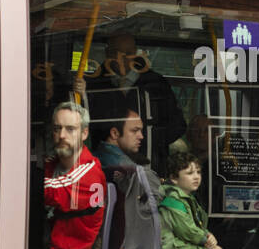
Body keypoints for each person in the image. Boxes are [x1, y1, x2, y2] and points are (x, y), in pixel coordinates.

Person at [74, 31, 185, 174]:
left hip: (150, 166)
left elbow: (177, 125)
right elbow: (84, 124)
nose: (122, 58)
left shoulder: (156, 84)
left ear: (136, 53)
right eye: (116, 52)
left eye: (128, 53)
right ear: (107, 53)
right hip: (106, 168)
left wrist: (150, 143)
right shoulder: (91, 85)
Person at [96, 107, 165, 249]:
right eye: (135, 131)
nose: (141, 136)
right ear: (114, 134)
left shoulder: (98, 156)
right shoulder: (129, 169)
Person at [43, 101, 105, 249]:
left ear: (84, 133)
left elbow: (46, 192)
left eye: (70, 129)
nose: (62, 135)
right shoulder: (53, 163)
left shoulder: (89, 173)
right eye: (57, 128)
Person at [160, 151, 223, 249]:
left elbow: (197, 225)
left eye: (198, 172)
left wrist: (208, 235)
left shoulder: (189, 198)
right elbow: (187, 231)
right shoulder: (172, 199)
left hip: (187, 247)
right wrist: (207, 240)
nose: (196, 177)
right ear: (174, 178)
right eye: (190, 173)